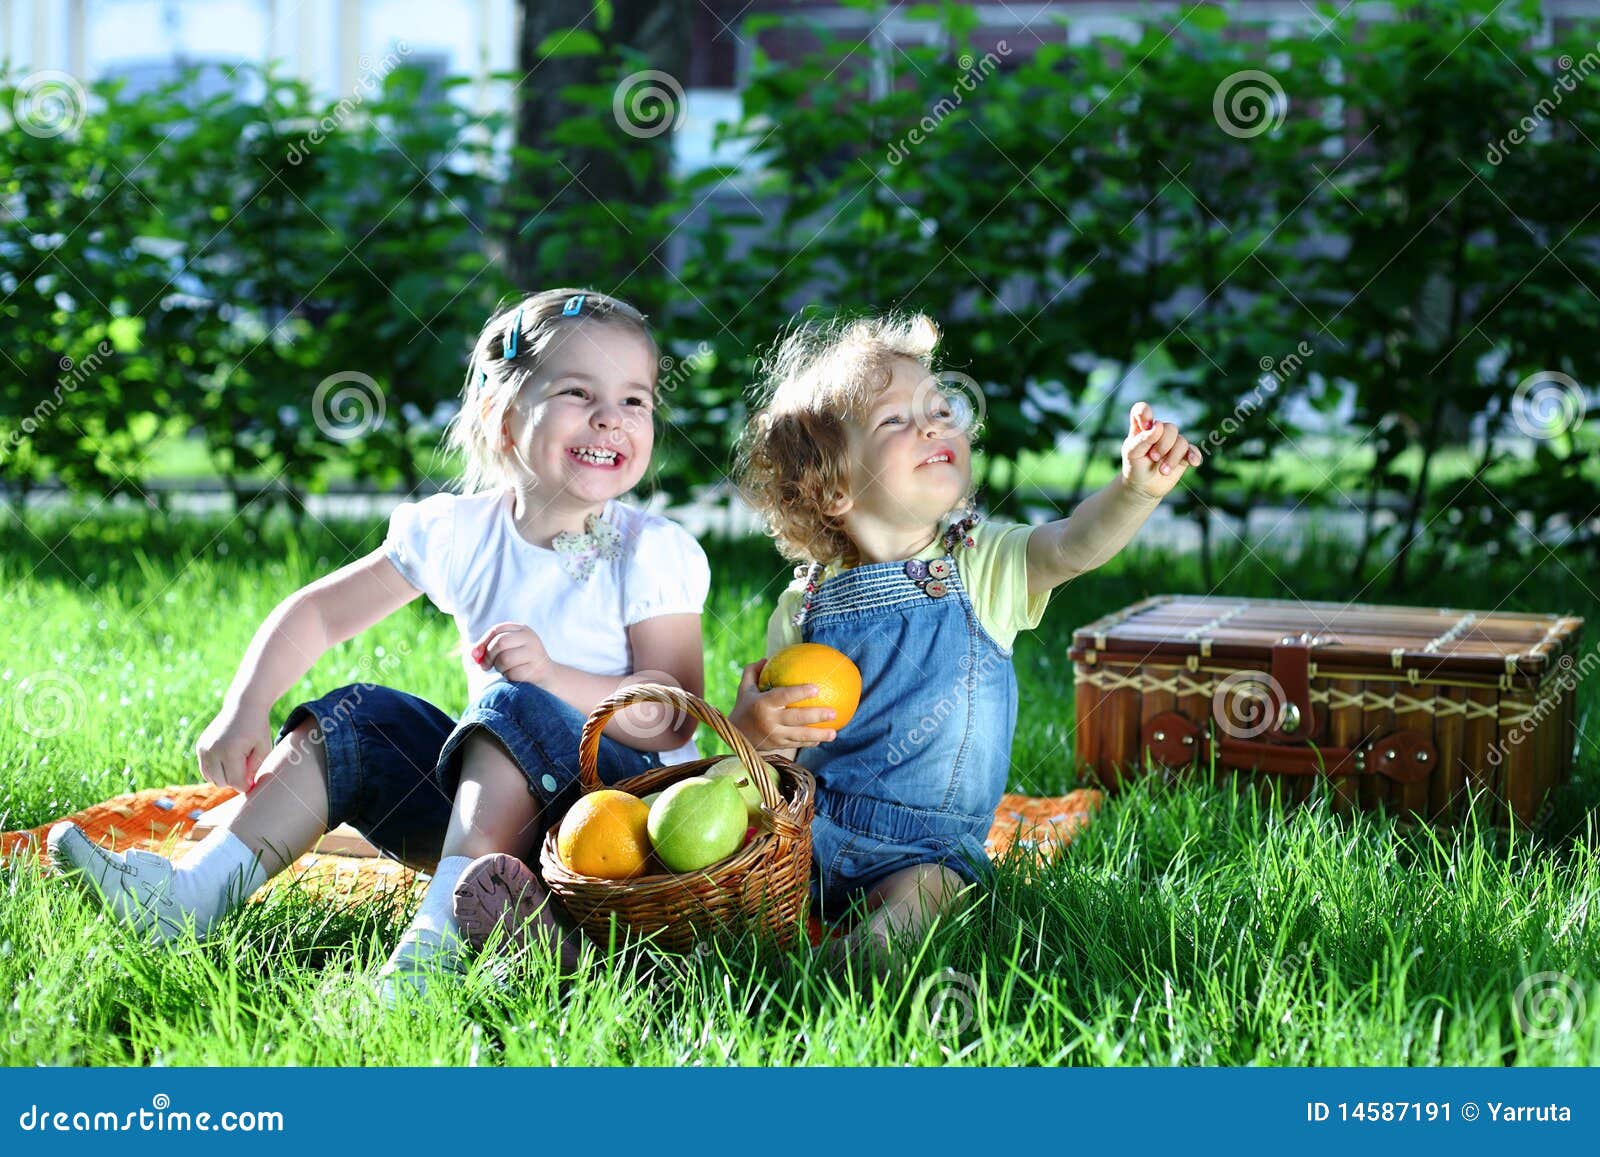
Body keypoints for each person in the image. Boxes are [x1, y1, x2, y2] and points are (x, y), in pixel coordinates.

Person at [49, 288, 709, 1001]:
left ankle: (432, 953)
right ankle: (191, 893)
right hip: (481, 819)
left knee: (511, 701)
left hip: (612, 824)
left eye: (636, 399)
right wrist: (247, 705)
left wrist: (552, 678)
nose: (611, 416)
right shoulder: (461, 531)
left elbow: (674, 715)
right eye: (580, 392)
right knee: (354, 716)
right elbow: (321, 615)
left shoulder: (650, 551)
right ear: (507, 418)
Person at [729, 312, 1201, 977]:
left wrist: (1133, 492)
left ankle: (840, 964)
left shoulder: (981, 566)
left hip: (922, 854)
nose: (933, 424)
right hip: (812, 832)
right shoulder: (801, 605)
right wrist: (757, 732)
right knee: (722, 866)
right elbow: (785, 760)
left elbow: (1071, 545)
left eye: (940, 408)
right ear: (836, 489)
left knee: (929, 903)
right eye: (895, 421)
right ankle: (653, 937)